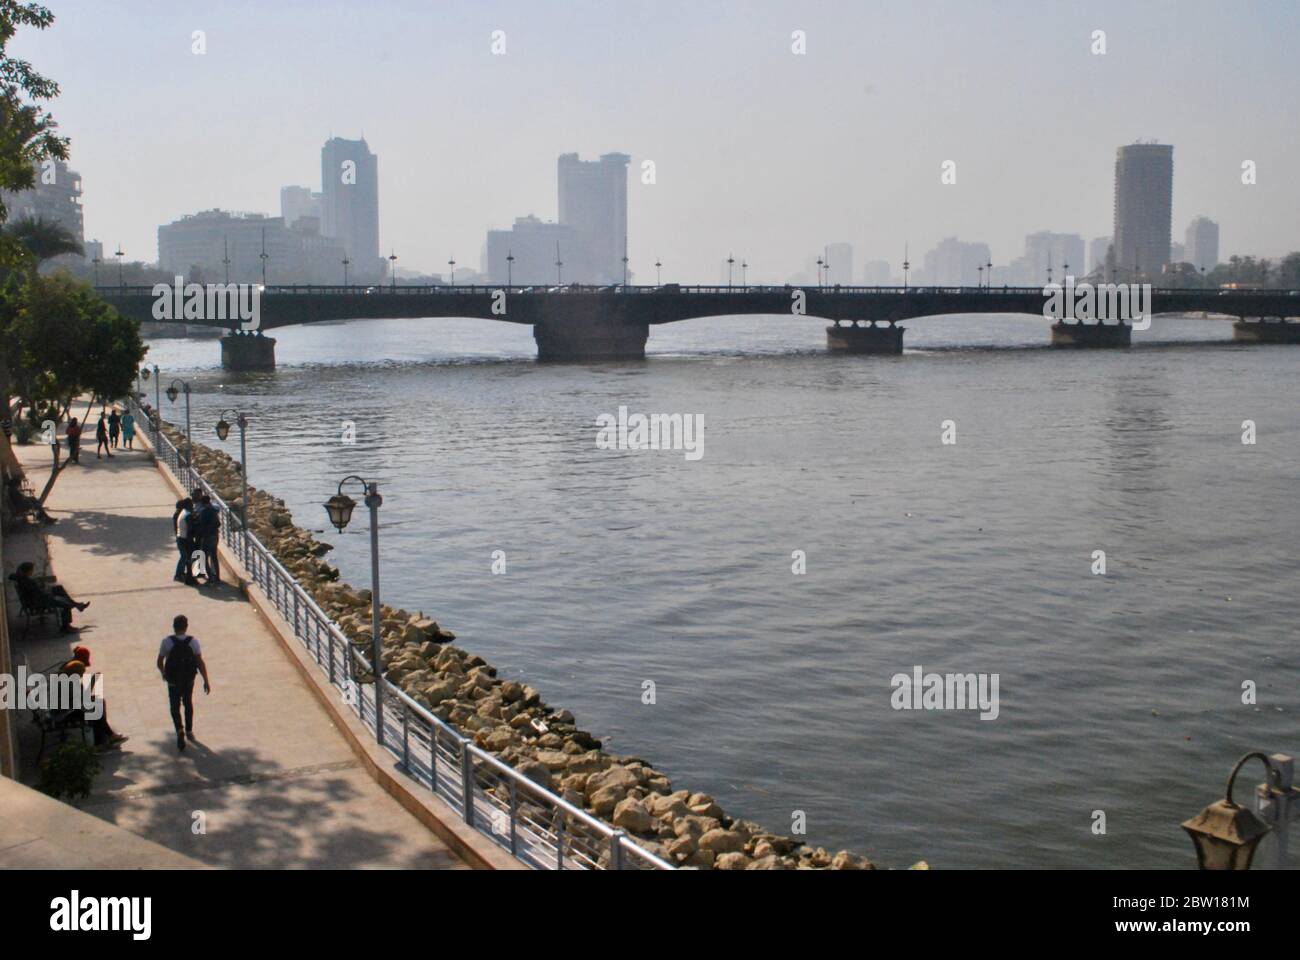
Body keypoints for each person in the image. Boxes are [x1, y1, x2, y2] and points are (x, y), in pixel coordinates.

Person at [157, 615, 211, 751]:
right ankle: (189, 730)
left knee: (174, 706)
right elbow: (199, 662)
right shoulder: (193, 642)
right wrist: (206, 680)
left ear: (174, 627)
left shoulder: (167, 642)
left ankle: (179, 729)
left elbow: (159, 661)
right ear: (186, 627)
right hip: (188, 680)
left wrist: (164, 673)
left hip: (173, 681)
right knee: (188, 703)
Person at [59, 646, 128, 751]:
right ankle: (102, 741)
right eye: (81, 675)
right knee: (96, 710)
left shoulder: (66, 673)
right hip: (67, 713)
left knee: (98, 703)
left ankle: (106, 736)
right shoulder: (70, 683)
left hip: (67, 705)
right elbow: (83, 697)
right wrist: (92, 682)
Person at [9, 561, 90, 632]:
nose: (32, 572)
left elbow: (36, 591)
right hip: (38, 602)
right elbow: (39, 594)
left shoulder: (22, 578)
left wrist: (44, 589)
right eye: (31, 570)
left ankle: (78, 605)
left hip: (35, 598)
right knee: (65, 603)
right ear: (27, 571)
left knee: (58, 588)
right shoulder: (28, 582)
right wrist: (49, 593)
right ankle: (66, 627)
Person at [196, 494, 221, 586]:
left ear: (202, 503)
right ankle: (217, 576)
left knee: (204, 557)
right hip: (215, 535)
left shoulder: (203, 512)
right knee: (214, 557)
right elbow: (218, 524)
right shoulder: (214, 511)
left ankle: (211, 577)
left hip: (207, 537)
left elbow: (201, 526)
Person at [173, 498, 197, 585]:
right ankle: (179, 575)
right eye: (191, 505)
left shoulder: (183, 513)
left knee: (184, 557)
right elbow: (190, 530)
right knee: (186, 557)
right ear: (187, 505)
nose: (192, 506)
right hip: (185, 540)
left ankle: (180, 574)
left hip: (181, 538)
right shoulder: (187, 515)